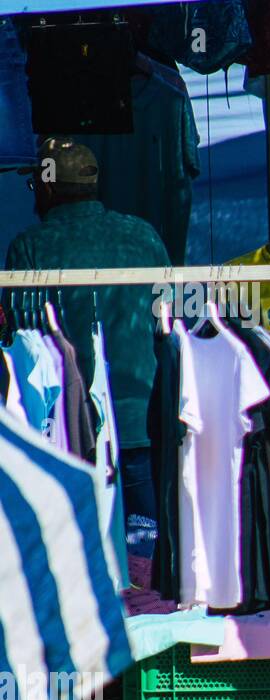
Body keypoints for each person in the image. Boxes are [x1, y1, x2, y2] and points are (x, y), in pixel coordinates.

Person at [5, 138, 170, 551]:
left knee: (85, 565)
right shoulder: (145, 237)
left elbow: (25, 344)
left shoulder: (30, 248)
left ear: (47, 188)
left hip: (72, 434)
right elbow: (170, 324)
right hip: (141, 424)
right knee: (149, 571)